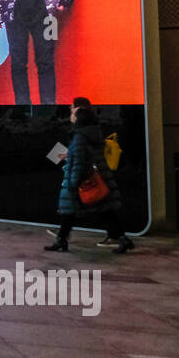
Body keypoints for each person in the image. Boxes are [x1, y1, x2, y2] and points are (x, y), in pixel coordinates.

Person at [46, 106, 131, 253]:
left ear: (80, 119)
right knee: (104, 209)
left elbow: (79, 161)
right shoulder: (93, 133)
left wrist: (73, 182)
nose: (71, 115)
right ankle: (123, 239)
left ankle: (61, 240)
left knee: (70, 209)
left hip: (84, 180)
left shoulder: (79, 136)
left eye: (73, 113)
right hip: (97, 178)